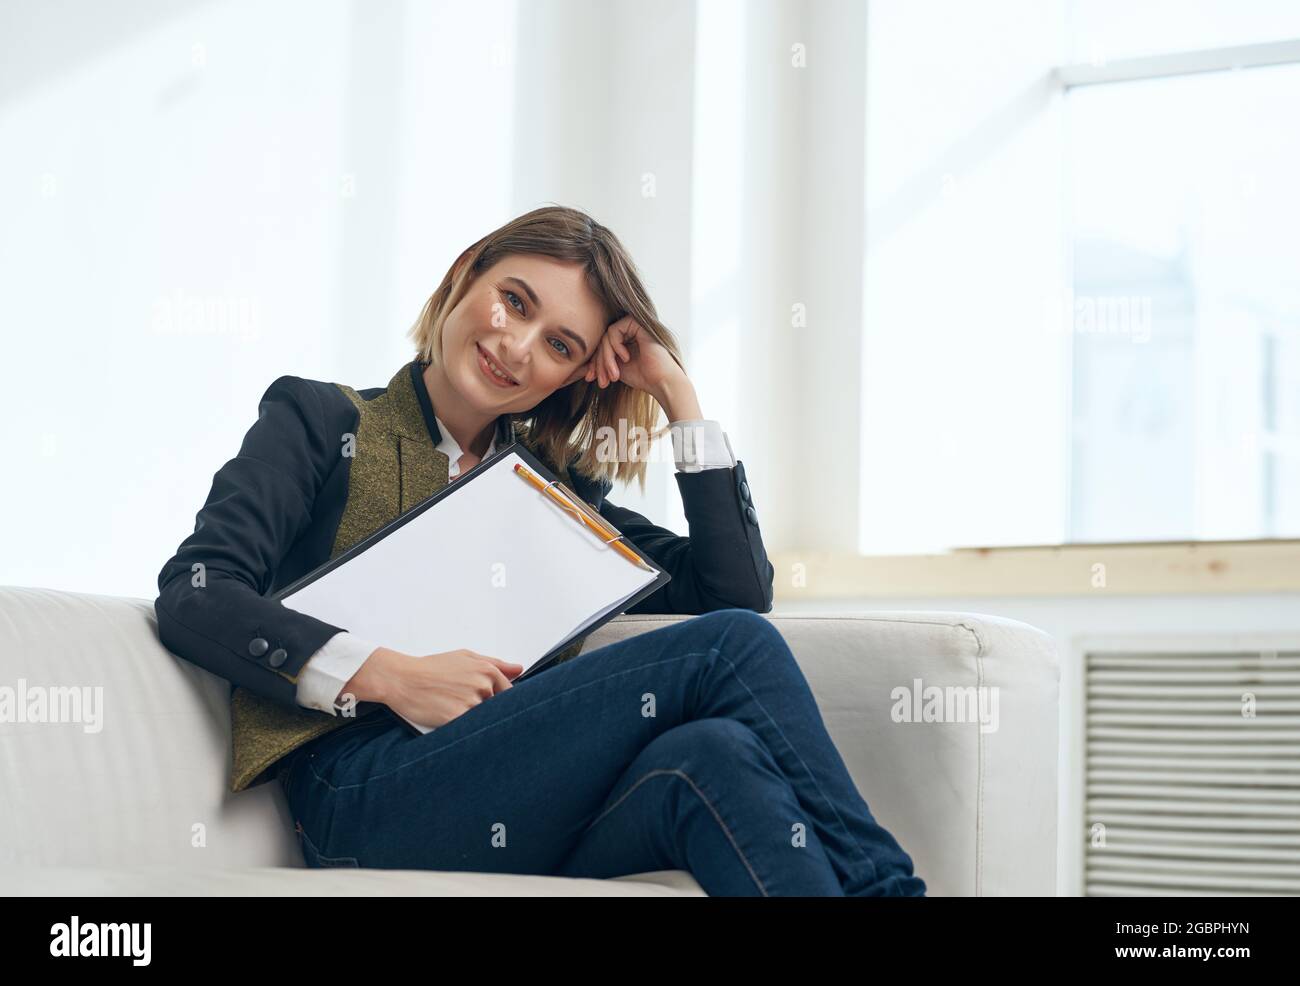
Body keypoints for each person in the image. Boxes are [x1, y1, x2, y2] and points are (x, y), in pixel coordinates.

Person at [154, 205, 926, 896]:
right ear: (466, 273)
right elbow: (196, 589)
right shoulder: (322, 420)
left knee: (715, 757)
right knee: (731, 652)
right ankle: (888, 891)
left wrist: (676, 396)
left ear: (573, 374)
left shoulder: (551, 492)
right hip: (363, 798)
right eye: (513, 301)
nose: (516, 348)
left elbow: (728, 588)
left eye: (558, 344)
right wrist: (391, 674)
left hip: (515, 800)